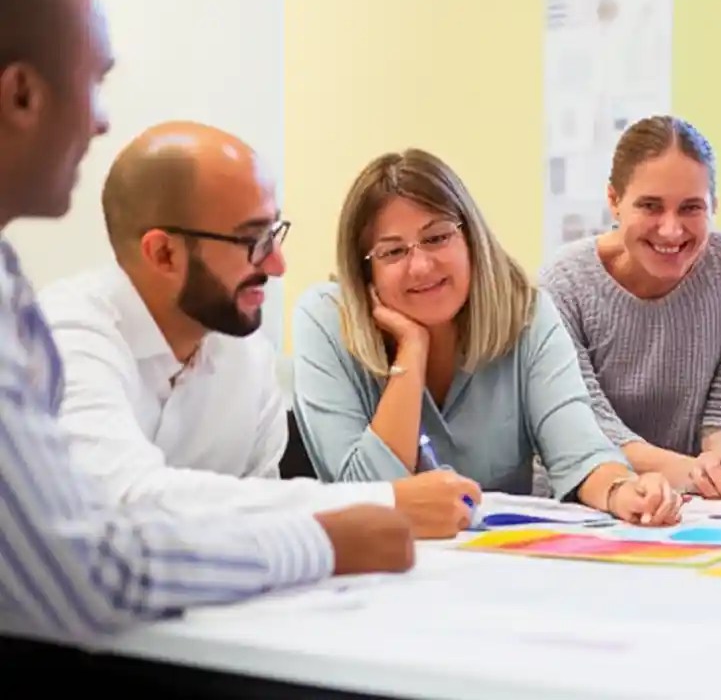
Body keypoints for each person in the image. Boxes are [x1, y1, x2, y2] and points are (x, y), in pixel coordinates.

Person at [0, 0, 411, 644]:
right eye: (94, 83)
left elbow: (255, 501)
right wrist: (337, 530)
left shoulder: (242, 351)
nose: (101, 122)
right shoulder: (68, 330)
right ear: (21, 94)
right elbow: (92, 556)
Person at [37, 121, 480, 539]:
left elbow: (264, 529)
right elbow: (123, 502)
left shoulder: (247, 354)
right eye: (252, 241)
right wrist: (383, 504)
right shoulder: (63, 337)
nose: (277, 265)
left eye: (274, 234)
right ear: (164, 254)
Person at [292, 149, 682, 526]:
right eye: (393, 252)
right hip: (379, 562)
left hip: (497, 561)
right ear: (365, 272)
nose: (421, 266)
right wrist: (411, 352)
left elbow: (579, 452)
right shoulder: (326, 321)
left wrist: (622, 491)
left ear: (470, 239)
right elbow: (367, 496)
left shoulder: (525, 314)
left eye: (437, 238)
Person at [540, 115, 721, 499]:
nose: (671, 229)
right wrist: (695, 473)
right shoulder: (564, 283)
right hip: (588, 498)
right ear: (614, 201)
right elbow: (587, 428)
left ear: (714, 206)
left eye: (691, 208)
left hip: (691, 502)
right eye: (650, 206)